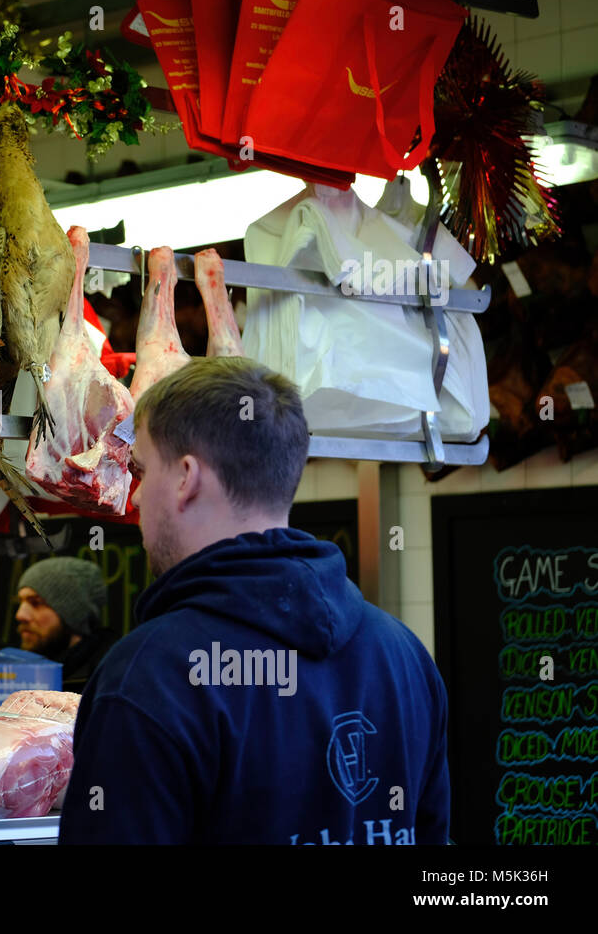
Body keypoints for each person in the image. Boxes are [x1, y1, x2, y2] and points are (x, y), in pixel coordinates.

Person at [59, 357, 450, 844]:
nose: (135, 499)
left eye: (141, 469)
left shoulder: (149, 676)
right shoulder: (405, 658)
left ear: (186, 477)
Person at [14, 557, 118, 693]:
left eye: (35, 603)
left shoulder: (111, 678)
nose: (20, 615)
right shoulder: (21, 672)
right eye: (20, 602)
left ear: (74, 613)